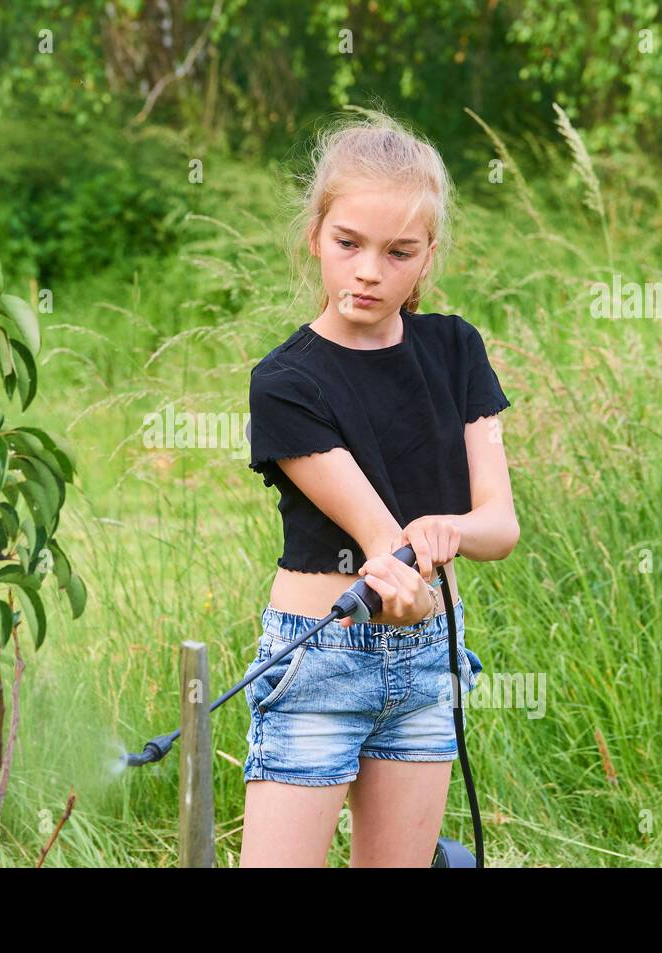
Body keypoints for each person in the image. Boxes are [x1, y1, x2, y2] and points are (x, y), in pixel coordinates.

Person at [240, 110, 519, 867]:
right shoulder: (286, 383)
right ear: (315, 237)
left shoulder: (457, 350)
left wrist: (451, 532)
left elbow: (500, 523)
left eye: (399, 252)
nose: (370, 270)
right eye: (349, 244)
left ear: (428, 257)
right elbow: (379, 541)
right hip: (322, 654)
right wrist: (417, 569)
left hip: (428, 660)